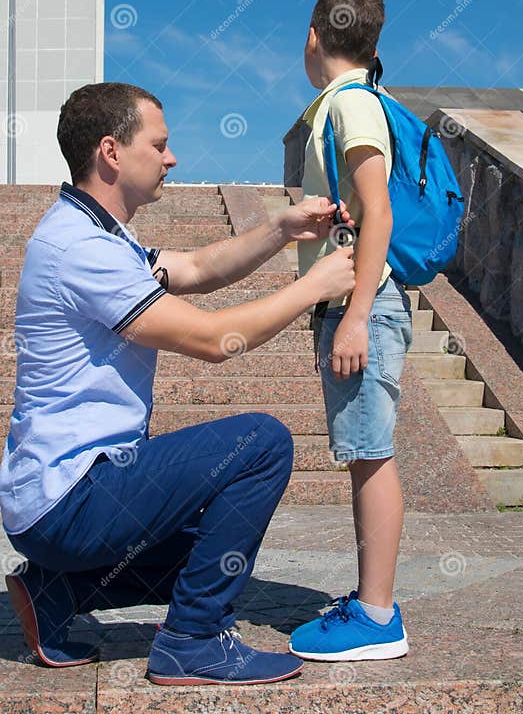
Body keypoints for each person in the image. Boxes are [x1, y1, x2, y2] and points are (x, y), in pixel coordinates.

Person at [0, 82, 355, 685]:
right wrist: (312, 288)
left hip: (59, 502)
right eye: (159, 145)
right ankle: (191, 640)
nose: (171, 159)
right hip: (72, 496)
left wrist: (282, 228)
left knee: (217, 551)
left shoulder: (100, 236)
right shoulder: (81, 248)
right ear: (112, 152)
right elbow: (215, 341)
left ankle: (56, 593)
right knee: (262, 443)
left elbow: (192, 268)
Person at [289, 0, 413, 662]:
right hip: (354, 298)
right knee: (365, 452)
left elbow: (380, 211)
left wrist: (356, 316)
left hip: (364, 302)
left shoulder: (353, 104)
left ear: (315, 36)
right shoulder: (358, 101)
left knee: (370, 455)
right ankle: (371, 605)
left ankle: (376, 616)